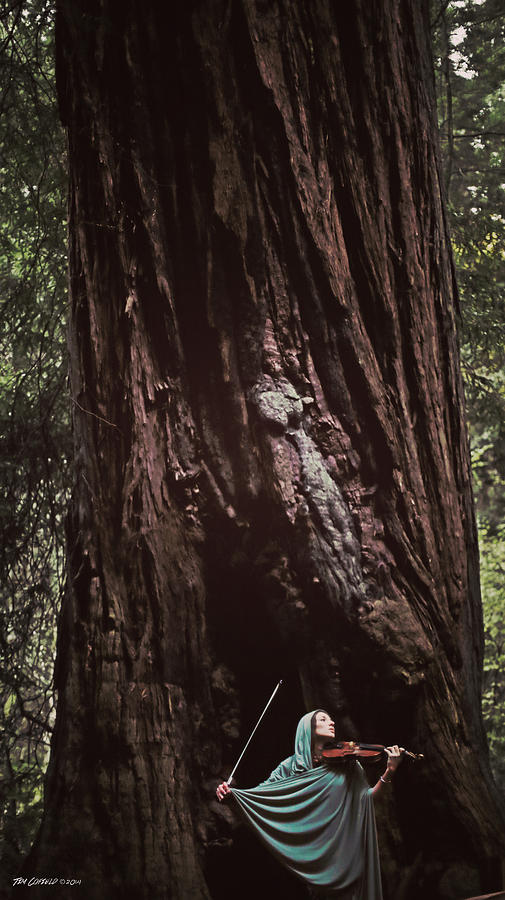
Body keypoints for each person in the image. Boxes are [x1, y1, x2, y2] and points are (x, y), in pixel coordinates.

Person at [216, 709, 404, 899]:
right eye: (323, 719)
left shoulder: (348, 764)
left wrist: (389, 770)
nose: (331, 722)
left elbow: (367, 798)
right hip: (316, 855)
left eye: (331, 719)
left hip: (346, 853)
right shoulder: (289, 767)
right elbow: (261, 795)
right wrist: (233, 795)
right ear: (307, 729)